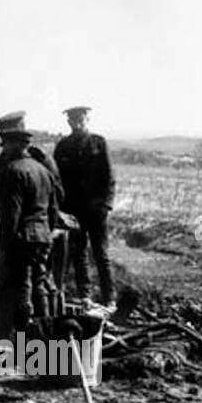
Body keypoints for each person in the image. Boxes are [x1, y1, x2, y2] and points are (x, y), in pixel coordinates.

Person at [0, 120, 61, 335]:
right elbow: (53, 209)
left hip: (22, 239)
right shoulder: (42, 170)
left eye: (5, 144)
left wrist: (2, 249)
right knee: (39, 285)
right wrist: (47, 232)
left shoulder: (14, 171)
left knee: (22, 287)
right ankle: (46, 336)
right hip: (43, 238)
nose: (3, 148)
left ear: (15, 145)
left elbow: (11, 216)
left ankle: (23, 341)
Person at [53, 105, 116, 305]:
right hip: (73, 211)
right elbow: (56, 180)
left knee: (101, 254)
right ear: (68, 122)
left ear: (87, 119)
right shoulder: (63, 147)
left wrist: (106, 206)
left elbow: (109, 178)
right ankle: (84, 295)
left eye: (81, 119)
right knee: (78, 253)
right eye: (73, 120)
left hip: (96, 210)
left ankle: (109, 298)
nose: (77, 123)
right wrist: (61, 210)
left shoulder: (99, 143)